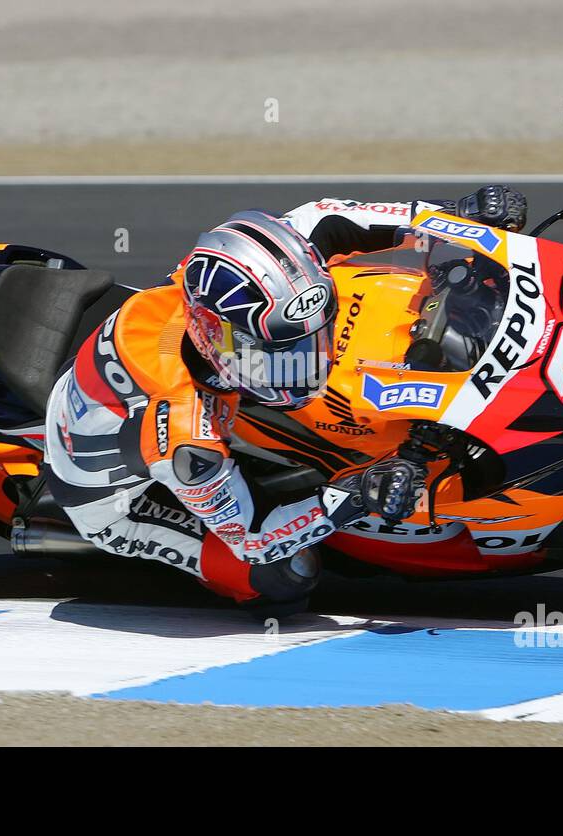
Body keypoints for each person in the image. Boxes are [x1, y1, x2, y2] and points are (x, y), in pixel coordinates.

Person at [42, 186, 528, 615]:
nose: (307, 359)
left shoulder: (228, 270)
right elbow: (253, 538)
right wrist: (359, 495)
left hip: (151, 384)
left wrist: (456, 215)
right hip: (115, 498)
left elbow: (325, 219)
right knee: (284, 575)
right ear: (217, 339)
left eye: (304, 341)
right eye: (282, 352)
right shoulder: (190, 439)